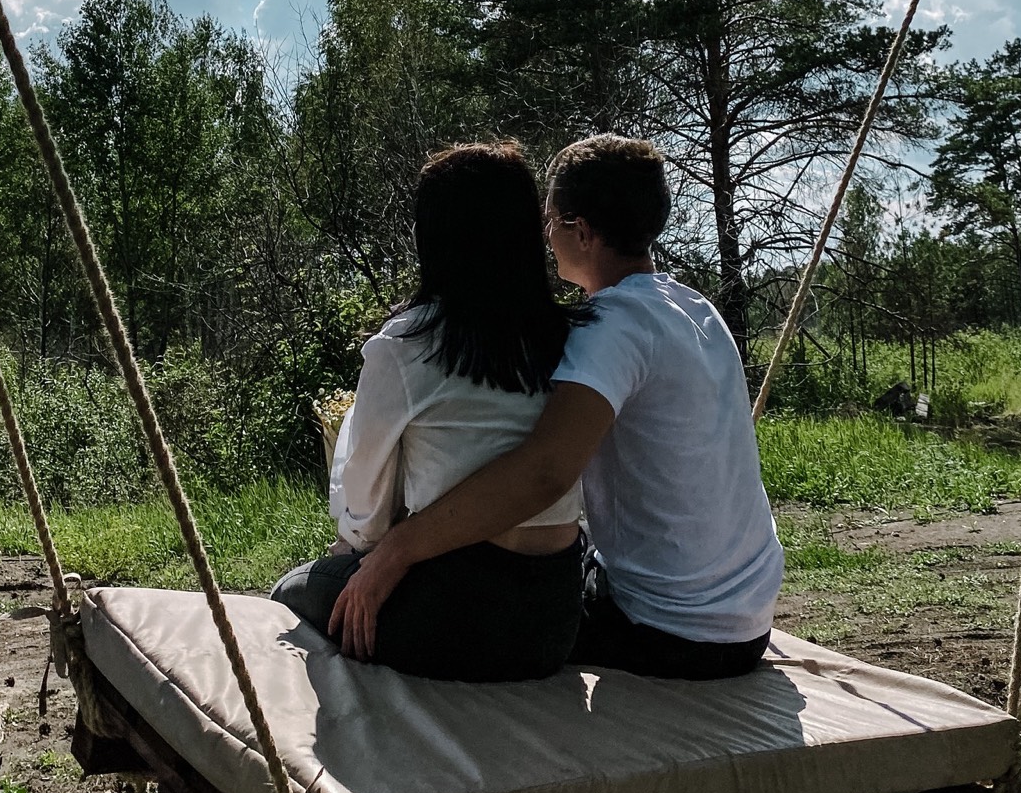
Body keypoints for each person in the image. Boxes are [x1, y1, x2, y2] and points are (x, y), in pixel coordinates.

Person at [329, 134, 784, 680]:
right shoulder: (694, 309)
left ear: (582, 231)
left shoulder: (609, 328)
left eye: (550, 222)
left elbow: (544, 473)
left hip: (673, 633)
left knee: (507, 603)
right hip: (746, 617)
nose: (544, 237)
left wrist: (396, 550)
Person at [271, 142, 590, 681]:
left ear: (434, 237)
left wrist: (363, 552)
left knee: (294, 587)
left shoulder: (408, 345)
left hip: (453, 615)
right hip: (554, 618)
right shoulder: (574, 341)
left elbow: (366, 510)